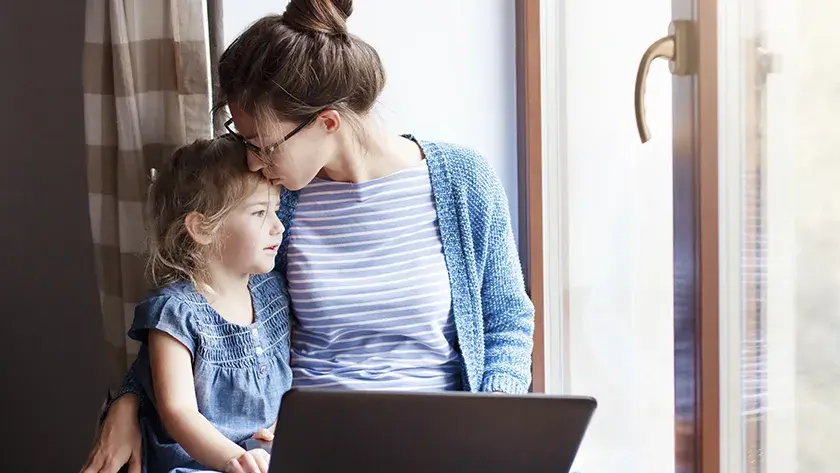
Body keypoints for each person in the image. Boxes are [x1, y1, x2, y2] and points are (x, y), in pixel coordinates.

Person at [81, 0, 535, 472]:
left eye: (263, 143)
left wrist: (490, 420)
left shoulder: (463, 181)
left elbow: (506, 319)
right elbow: (209, 309)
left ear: (327, 123)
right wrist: (130, 400)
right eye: (245, 139)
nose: (254, 161)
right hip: (310, 445)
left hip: (438, 442)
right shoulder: (276, 203)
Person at [93, 137, 293, 473]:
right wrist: (235, 460)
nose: (279, 225)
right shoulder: (175, 312)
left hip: (265, 458)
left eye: (275, 209)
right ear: (202, 228)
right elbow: (178, 413)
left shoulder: (273, 290)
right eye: (260, 212)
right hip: (196, 465)